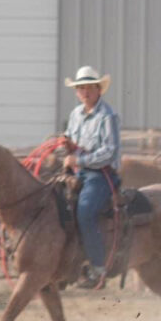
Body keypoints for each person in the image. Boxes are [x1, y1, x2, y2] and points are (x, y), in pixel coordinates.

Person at [62, 65, 121, 287]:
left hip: (102, 174)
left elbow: (109, 151)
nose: (85, 92)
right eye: (81, 88)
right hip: (78, 172)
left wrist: (80, 161)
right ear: (77, 92)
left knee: (85, 211)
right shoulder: (75, 115)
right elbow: (68, 140)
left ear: (98, 89)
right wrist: (64, 147)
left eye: (89, 87)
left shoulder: (108, 116)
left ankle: (98, 268)